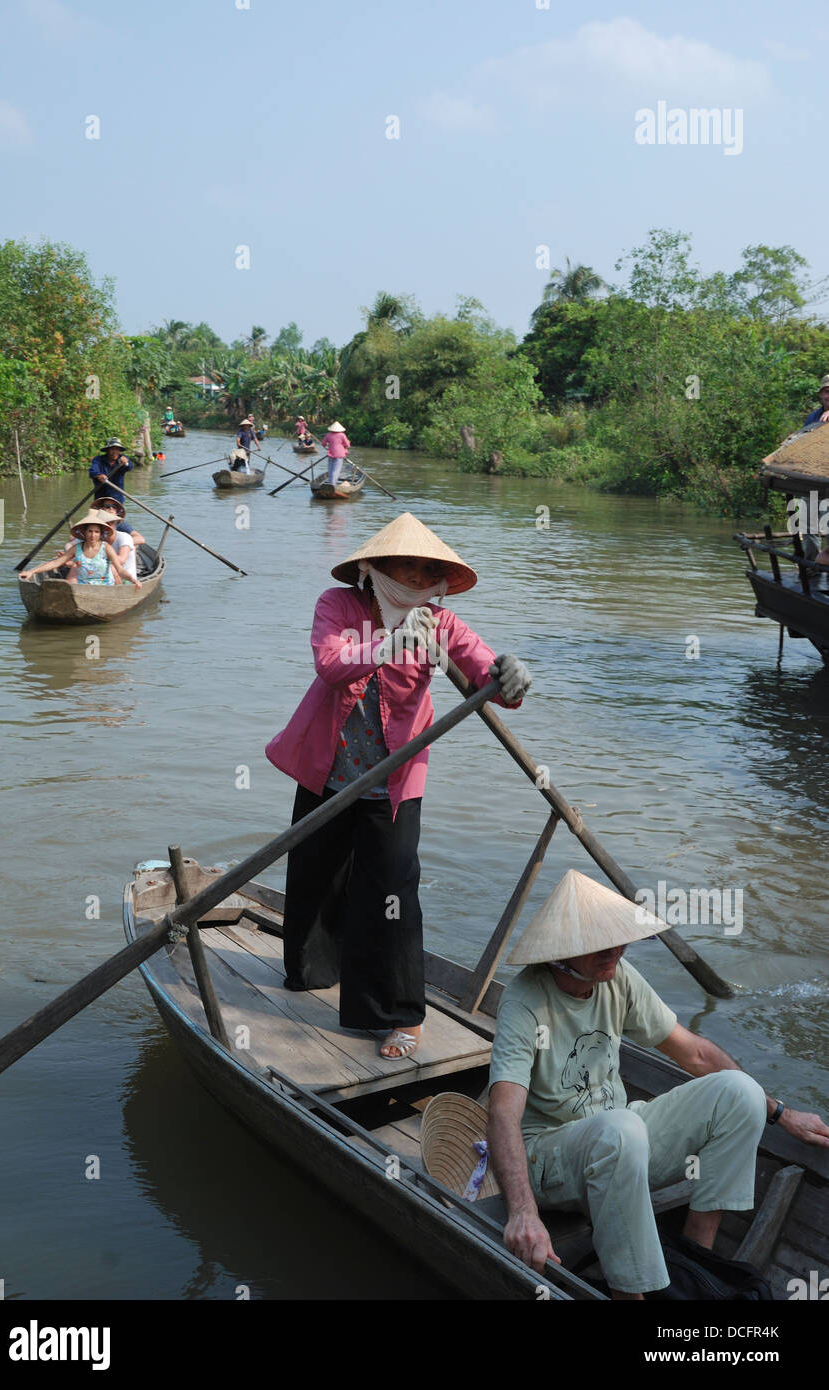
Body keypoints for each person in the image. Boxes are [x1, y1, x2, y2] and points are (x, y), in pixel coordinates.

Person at [487, 869, 829, 1300]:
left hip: (620, 1140)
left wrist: (780, 1112)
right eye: (597, 944)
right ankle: (632, 1294)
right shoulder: (525, 1002)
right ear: (562, 953)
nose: (614, 951)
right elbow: (502, 1111)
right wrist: (522, 1212)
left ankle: (693, 1260)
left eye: (618, 939)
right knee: (620, 1129)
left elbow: (697, 1054)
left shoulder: (618, 978)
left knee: (737, 1091)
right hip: (552, 1160)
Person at [265, 512, 532, 1059]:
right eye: (403, 569)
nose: (413, 580)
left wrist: (508, 675)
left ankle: (397, 1014)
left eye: (423, 572)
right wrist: (386, 644)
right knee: (315, 876)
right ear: (373, 570)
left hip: (393, 780)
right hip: (328, 772)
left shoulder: (440, 623)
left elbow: (484, 672)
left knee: (390, 894)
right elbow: (330, 663)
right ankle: (313, 973)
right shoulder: (337, 606)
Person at [19, 513, 140, 589]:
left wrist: (133, 580)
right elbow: (55, 563)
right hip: (83, 588)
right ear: (85, 533)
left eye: (96, 532)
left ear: (100, 534)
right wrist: (31, 571)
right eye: (90, 531)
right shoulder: (76, 548)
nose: (93, 535)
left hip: (105, 588)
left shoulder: (106, 548)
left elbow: (120, 569)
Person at [90, 438, 134, 503]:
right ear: (108, 450)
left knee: (112, 509)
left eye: (117, 449)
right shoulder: (98, 460)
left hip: (117, 497)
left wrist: (125, 463)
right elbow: (92, 471)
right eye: (112, 449)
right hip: (100, 496)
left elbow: (129, 467)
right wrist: (99, 475)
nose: (115, 452)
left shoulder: (123, 458)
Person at [322, 420, 350, 485]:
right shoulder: (342, 435)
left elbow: (323, 444)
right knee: (336, 470)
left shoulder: (328, 435)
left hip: (331, 453)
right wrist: (343, 446)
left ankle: (331, 483)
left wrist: (328, 447)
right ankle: (333, 485)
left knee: (330, 469)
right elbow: (347, 445)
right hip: (339, 454)